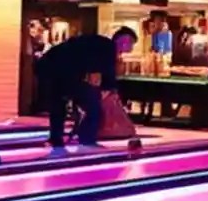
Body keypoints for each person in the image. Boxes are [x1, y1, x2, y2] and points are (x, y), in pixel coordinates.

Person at [35, 27, 138, 157]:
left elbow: (97, 71)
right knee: (93, 106)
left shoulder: (100, 43)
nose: (131, 49)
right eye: (131, 44)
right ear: (124, 40)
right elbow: (107, 75)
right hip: (61, 70)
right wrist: (110, 90)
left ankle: (57, 139)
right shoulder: (108, 47)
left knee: (59, 106)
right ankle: (86, 139)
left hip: (49, 66)